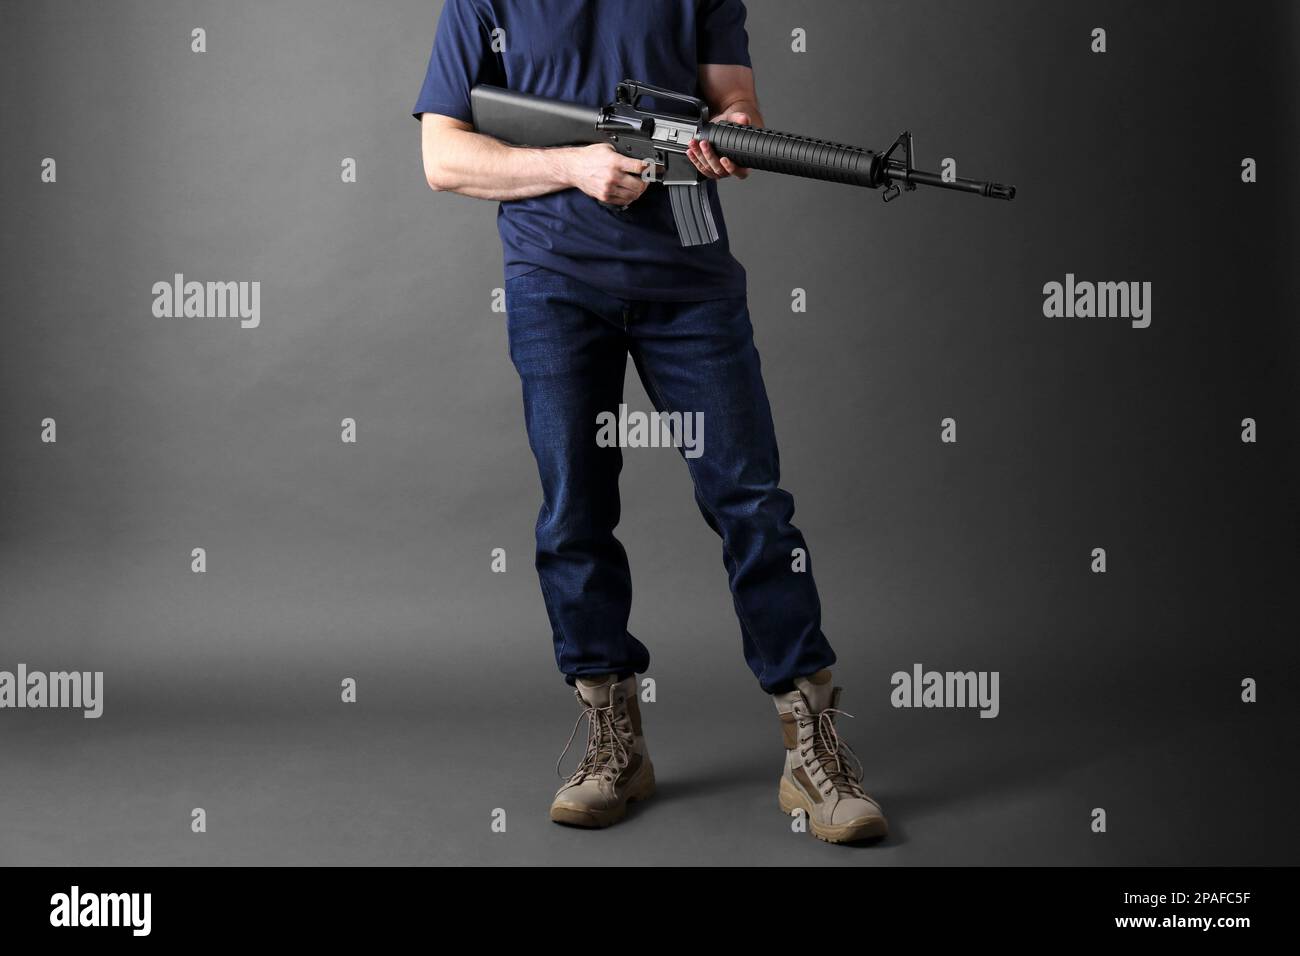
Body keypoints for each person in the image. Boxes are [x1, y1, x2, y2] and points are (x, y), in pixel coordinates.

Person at [414, 0, 887, 843]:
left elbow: (735, 100)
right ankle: (614, 743)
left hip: (690, 285)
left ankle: (812, 748)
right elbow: (444, 156)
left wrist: (734, 132)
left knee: (752, 504)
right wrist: (575, 167)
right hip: (554, 283)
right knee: (575, 511)